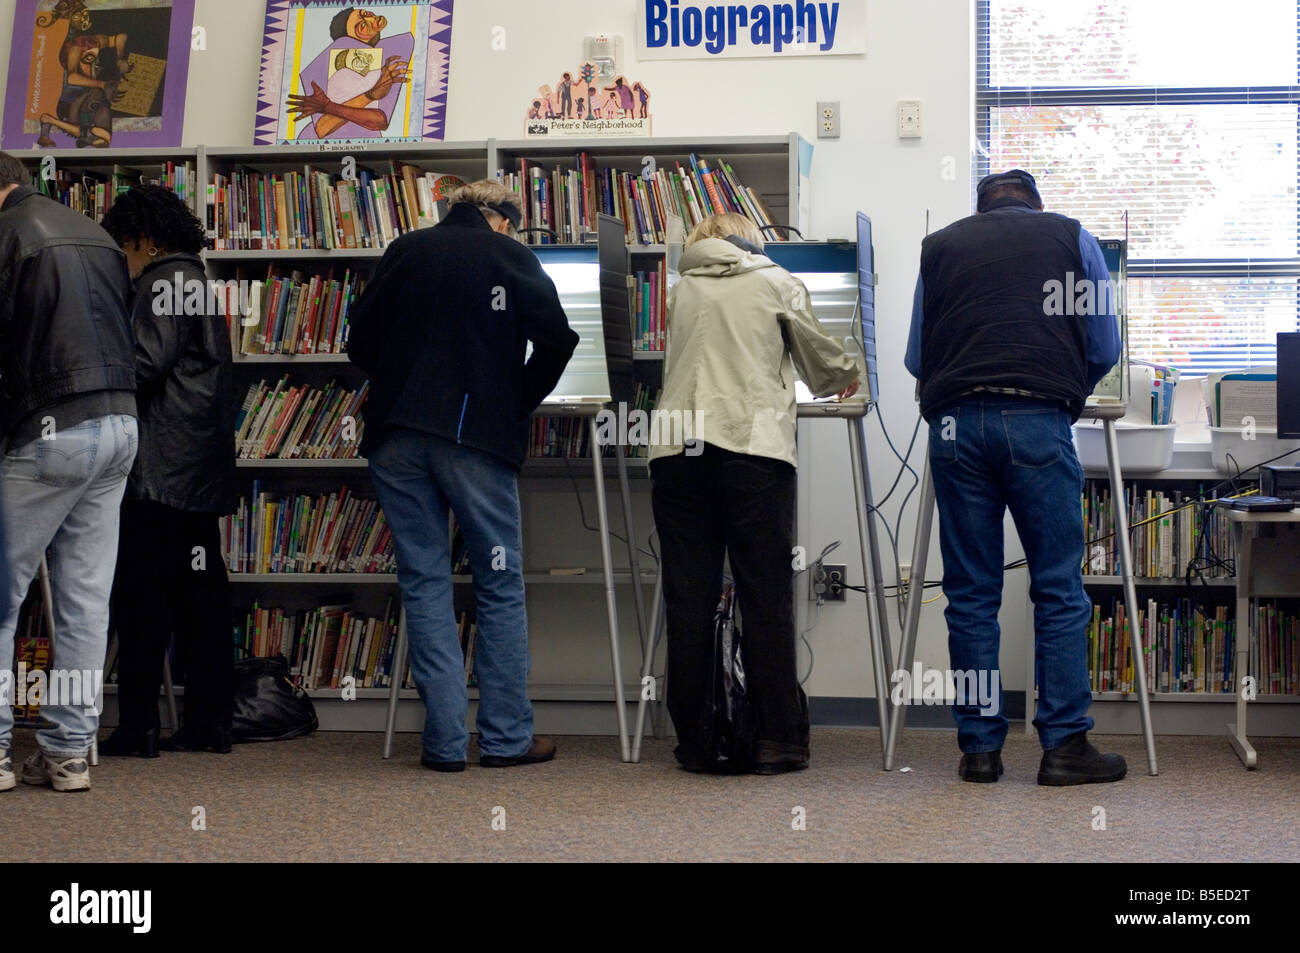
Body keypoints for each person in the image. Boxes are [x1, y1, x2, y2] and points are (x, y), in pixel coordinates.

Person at [347, 180, 579, 772]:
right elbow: (558, 339)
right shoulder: (507, 255)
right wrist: (514, 400)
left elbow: (360, 341)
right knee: (498, 584)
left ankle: (444, 745)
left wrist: (404, 381)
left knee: (423, 582)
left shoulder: (406, 248)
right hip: (474, 440)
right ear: (502, 219)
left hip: (397, 437)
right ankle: (504, 740)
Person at [904, 168, 1125, 786]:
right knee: (1057, 587)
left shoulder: (940, 246)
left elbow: (918, 357)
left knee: (971, 595)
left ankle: (979, 751)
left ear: (980, 210)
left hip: (953, 429)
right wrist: (1063, 389)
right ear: (1037, 206)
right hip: (1036, 419)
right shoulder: (1073, 238)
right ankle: (1063, 749)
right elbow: (1105, 345)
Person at [648, 212, 860, 775]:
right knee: (764, 595)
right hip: (750, 451)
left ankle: (698, 741)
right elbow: (823, 369)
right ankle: (777, 741)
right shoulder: (776, 281)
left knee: (688, 599)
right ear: (752, 239)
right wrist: (851, 368)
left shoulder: (679, 289)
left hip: (675, 456)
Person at [0, 150, 138, 792]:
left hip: (47, 431)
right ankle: (68, 753)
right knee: (86, 602)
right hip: (118, 425)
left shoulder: (9, 237)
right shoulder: (96, 232)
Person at [99, 185, 236, 758]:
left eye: (122, 250)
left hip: (158, 468)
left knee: (141, 599)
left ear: (143, 241)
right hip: (196, 467)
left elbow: (143, 365)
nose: (120, 265)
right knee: (201, 601)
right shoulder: (197, 282)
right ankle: (207, 723)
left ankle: (138, 727)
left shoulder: (162, 283)